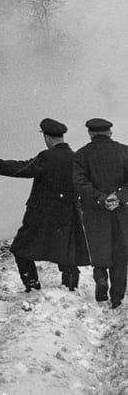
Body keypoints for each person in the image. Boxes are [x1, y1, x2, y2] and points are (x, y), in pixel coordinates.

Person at [0, 118, 89, 292]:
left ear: (47, 138)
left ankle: (32, 285)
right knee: (67, 251)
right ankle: (70, 287)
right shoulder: (76, 158)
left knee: (20, 248)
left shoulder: (47, 157)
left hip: (41, 213)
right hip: (67, 213)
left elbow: (23, 168)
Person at [73, 118, 128, 309]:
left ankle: (101, 278)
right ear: (110, 133)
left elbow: (80, 184)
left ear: (90, 133)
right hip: (122, 213)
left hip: (95, 212)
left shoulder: (81, 155)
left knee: (99, 248)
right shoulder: (125, 151)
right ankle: (117, 296)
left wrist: (101, 198)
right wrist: (118, 197)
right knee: (120, 253)